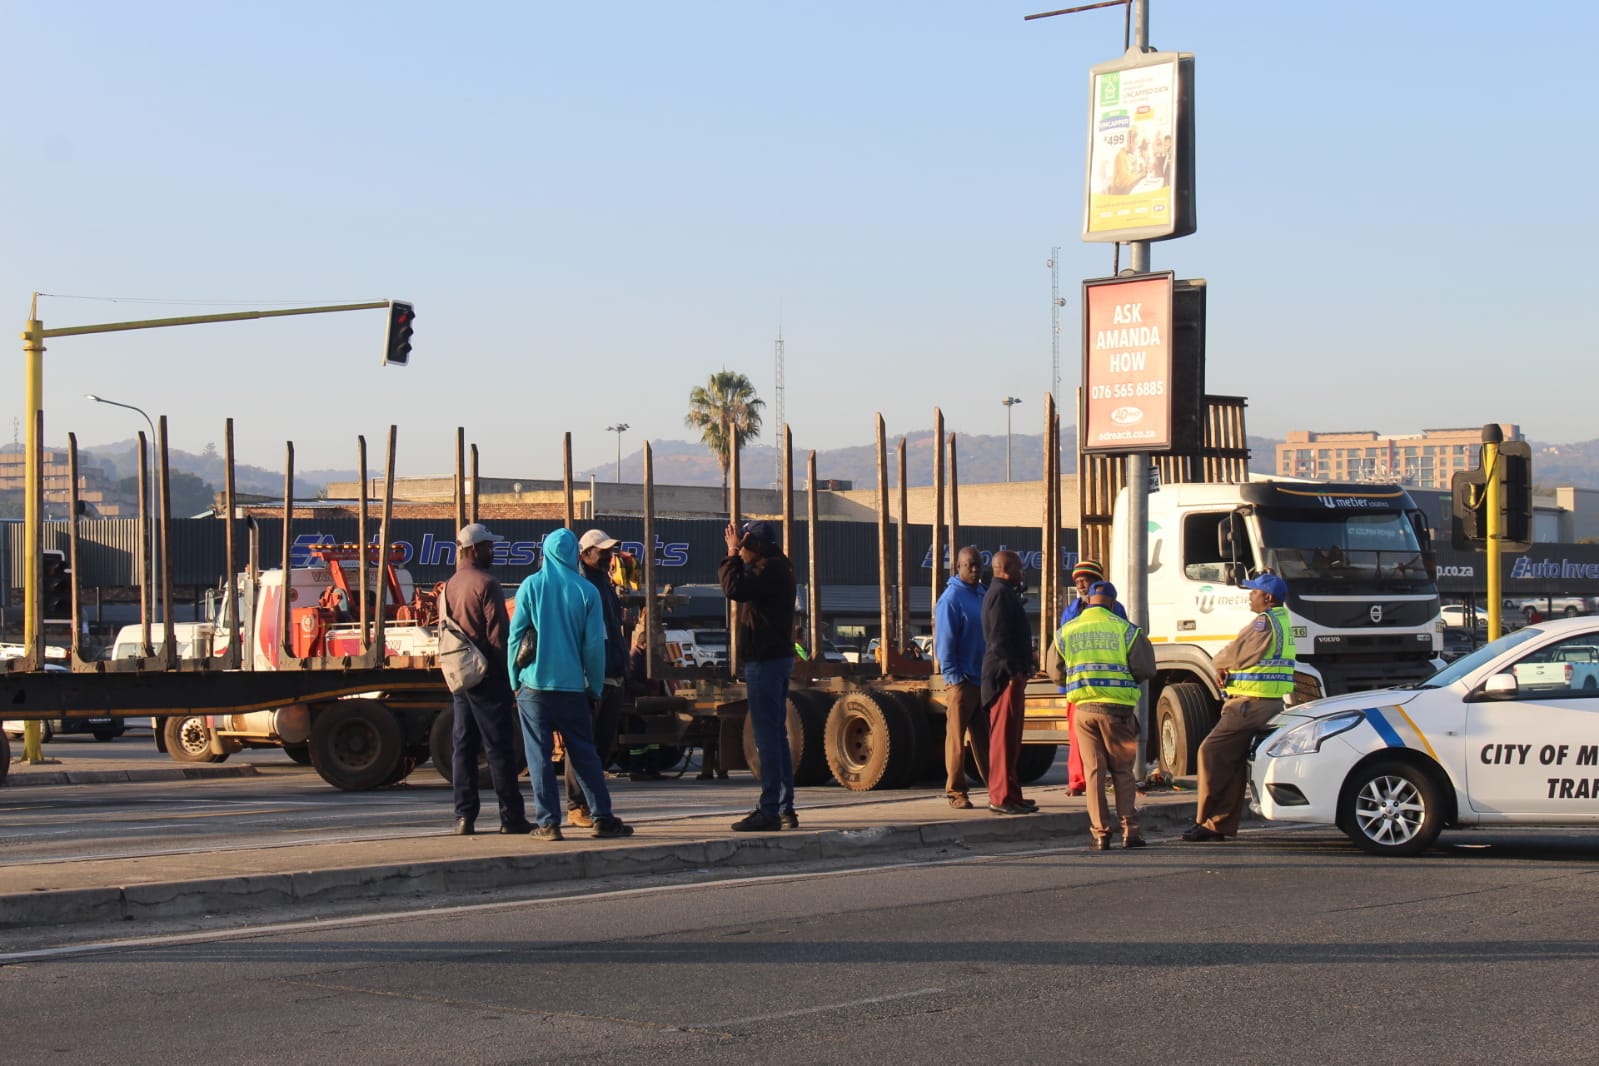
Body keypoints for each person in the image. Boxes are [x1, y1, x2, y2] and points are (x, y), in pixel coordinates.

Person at [510, 527, 633, 842]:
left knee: (538, 756)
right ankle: (602, 817)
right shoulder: (586, 591)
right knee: (584, 754)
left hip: (533, 687)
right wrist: (593, 686)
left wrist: (514, 678)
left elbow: (516, 637)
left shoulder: (531, 586)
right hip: (572, 687)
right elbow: (594, 646)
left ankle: (549, 824)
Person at [1181, 573, 1297, 842]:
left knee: (1209, 752)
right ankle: (1218, 824)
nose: (1249, 595)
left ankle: (1205, 820)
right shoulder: (1282, 621)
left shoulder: (1263, 623)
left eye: (1254, 592)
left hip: (1249, 705)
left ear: (1267, 598)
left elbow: (1236, 652)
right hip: (1267, 702)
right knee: (1232, 764)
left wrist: (1218, 663)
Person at [442, 523, 531, 836]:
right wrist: (510, 677)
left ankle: (464, 817)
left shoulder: (451, 585)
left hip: (461, 676)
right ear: (473, 550)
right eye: (487, 546)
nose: (492, 552)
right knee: (499, 748)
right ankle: (511, 817)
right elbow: (498, 637)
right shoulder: (487, 584)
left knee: (463, 747)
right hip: (488, 677)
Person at [1055, 581, 1156, 850]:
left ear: (1088, 600)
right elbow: (1145, 669)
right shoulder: (1127, 631)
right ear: (1112, 603)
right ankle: (1130, 831)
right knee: (1122, 772)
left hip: (1085, 712)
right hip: (1118, 713)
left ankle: (1100, 833)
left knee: (1094, 772)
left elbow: (1054, 670)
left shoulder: (1067, 630)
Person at [719, 519, 799, 831]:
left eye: (745, 546)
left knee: (767, 739)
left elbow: (733, 588)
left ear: (757, 547)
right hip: (774, 661)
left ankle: (770, 810)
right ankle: (782, 807)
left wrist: (730, 553)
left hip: (766, 663)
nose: (741, 552)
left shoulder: (771, 569)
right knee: (776, 738)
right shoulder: (777, 567)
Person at [567, 529, 629, 826]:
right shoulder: (579, 586)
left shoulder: (605, 584)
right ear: (585, 553)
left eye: (609, 551)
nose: (608, 556)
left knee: (602, 743)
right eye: (601, 551)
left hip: (613, 674)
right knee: (582, 742)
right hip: (591, 678)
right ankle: (576, 805)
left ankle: (592, 803)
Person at [1056, 558, 1128, 796]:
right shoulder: (1071, 611)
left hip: (1109, 689)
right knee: (1077, 739)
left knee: (1112, 742)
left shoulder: (1116, 610)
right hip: (1079, 688)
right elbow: (1061, 649)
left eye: (1084, 580)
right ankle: (1078, 782)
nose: (1080, 585)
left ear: (1098, 582)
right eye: (1077, 581)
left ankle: (1108, 781)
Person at [981, 550, 1037, 816]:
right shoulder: (1000, 595)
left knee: (1012, 741)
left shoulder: (1005, 593)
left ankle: (1013, 795)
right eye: (1018, 568)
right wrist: (1014, 673)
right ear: (1005, 569)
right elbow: (999, 639)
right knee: (1003, 740)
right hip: (1005, 679)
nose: (1022, 572)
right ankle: (1000, 797)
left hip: (1013, 676)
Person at [934, 545, 988, 810]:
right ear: (958, 567)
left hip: (983, 680)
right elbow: (944, 643)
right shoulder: (951, 599)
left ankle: (998, 790)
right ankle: (956, 792)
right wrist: (954, 678)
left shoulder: (982, 593)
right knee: (957, 739)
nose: (976, 570)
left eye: (978, 564)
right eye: (970, 565)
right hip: (962, 681)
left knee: (986, 740)